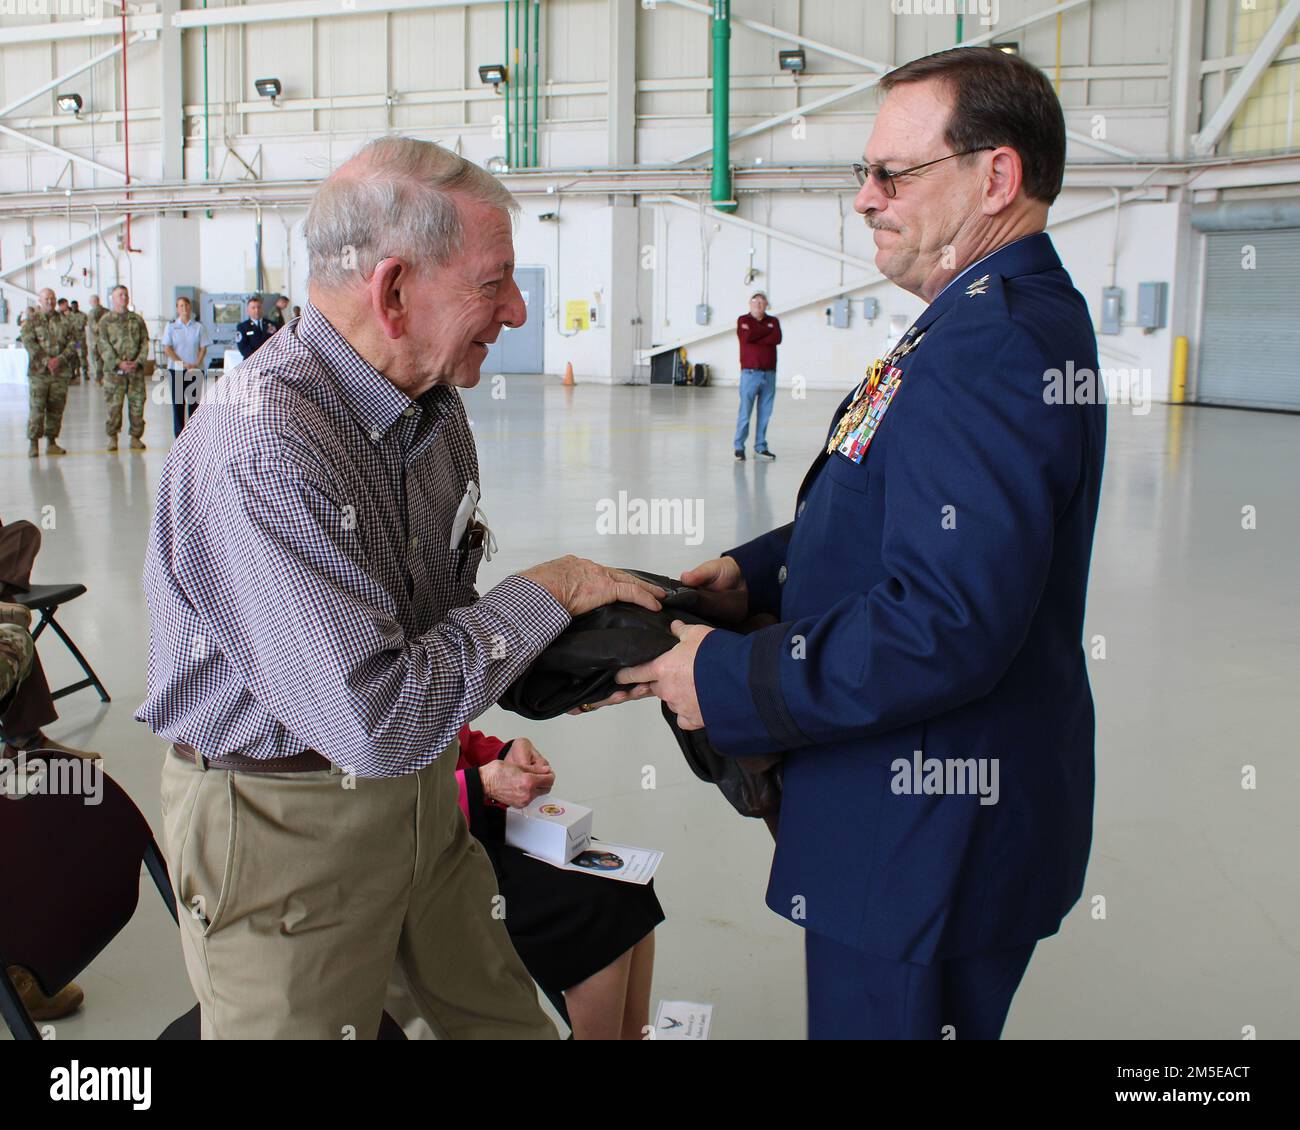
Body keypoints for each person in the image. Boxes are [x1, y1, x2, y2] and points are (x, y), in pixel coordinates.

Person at [614, 47, 1106, 1040]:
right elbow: (904, 513)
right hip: (916, 813)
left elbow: (946, 622)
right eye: (863, 174)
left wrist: (729, 678)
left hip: (922, 833)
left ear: (995, 177)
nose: (865, 199)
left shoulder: (993, 342)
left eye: (894, 173)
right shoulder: (969, 322)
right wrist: (756, 573)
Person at [136, 136, 665, 1040]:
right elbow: (374, 716)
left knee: (504, 1024)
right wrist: (550, 590)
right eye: (493, 282)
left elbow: (430, 628)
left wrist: (560, 660)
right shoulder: (262, 446)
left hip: (420, 800)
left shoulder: (429, 409)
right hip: (280, 827)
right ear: (391, 291)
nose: (517, 307)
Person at [386, 723, 662, 1040]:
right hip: (426, 847)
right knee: (595, 910)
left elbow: (456, 739)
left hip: (469, 816)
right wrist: (481, 784)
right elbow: (384, 804)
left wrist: (505, 755)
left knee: (628, 882)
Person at [19, 288, 77, 457]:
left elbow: (75, 343)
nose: (50, 302)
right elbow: (29, 343)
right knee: (37, 408)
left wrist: (60, 359)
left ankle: (52, 442)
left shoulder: (66, 321)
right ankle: (33, 443)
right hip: (39, 374)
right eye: (46, 299)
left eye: (52, 298)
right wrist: (47, 361)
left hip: (60, 372)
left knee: (56, 409)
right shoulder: (32, 321)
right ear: (39, 301)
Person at [96, 285, 150, 452]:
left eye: (126, 295)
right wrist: (118, 362)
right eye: (120, 295)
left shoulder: (137, 320)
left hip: (135, 372)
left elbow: (144, 343)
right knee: (114, 407)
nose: (124, 298)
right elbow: (103, 345)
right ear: (112, 298)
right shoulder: (105, 321)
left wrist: (138, 362)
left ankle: (135, 437)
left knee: (137, 405)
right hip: (114, 374)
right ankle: (112, 437)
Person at [733, 292, 781, 463]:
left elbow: (777, 338)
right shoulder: (743, 321)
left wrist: (757, 334)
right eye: (756, 302)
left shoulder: (773, 321)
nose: (759, 305)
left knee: (765, 413)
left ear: (767, 304)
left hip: (769, 374)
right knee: (745, 412)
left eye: (762, 302)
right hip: (749, 374)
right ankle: (739, 447)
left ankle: (760, 446)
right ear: (750, 304)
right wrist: (765, 334)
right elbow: (747, 337)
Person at [160, 296, 211, 437]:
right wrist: (181, 363)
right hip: (177, 371)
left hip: (195, 370)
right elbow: (167, 349)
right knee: (178, 404)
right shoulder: (171, 327)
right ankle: (179, 435)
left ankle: (193, 435)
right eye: (181, 306)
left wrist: (196, 363)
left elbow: (203, 348)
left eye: (186, 305)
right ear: (177, 308)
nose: (184, 308)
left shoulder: (198, 327)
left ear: (190, 308)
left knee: (194, 404)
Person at [85, 294, 108, 385]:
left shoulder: (92, 313)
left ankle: (99, 378)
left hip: (96, 341)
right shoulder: (107, 311)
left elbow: (94, 328)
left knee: (97, 360)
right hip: (107, 340)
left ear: (92, 302)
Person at [66, 300, 89, 384]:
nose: (74, 308)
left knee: (82, 356)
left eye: (75, 306)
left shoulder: (83, 315)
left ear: (78, 306)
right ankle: (72, 372)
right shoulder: (68, 316)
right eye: (72, 306)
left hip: (79, 340)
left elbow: (81, 326)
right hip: (71, 340)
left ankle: (85, 372)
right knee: (72, 356)